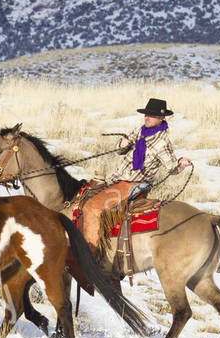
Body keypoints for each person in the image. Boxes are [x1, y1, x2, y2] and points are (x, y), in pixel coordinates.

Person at [79, 97, 192, 256]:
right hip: (119, 178)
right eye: (146, 114)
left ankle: (90, 256)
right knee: (84, 194)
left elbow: (171, 168)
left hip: (134, 184)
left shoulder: (162, 142)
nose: (147, 117)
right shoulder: (140, 131)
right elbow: (120, 151)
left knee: (91, 207)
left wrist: (181, 163)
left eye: (151, 115)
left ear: (161, 118)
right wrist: (121, 144)